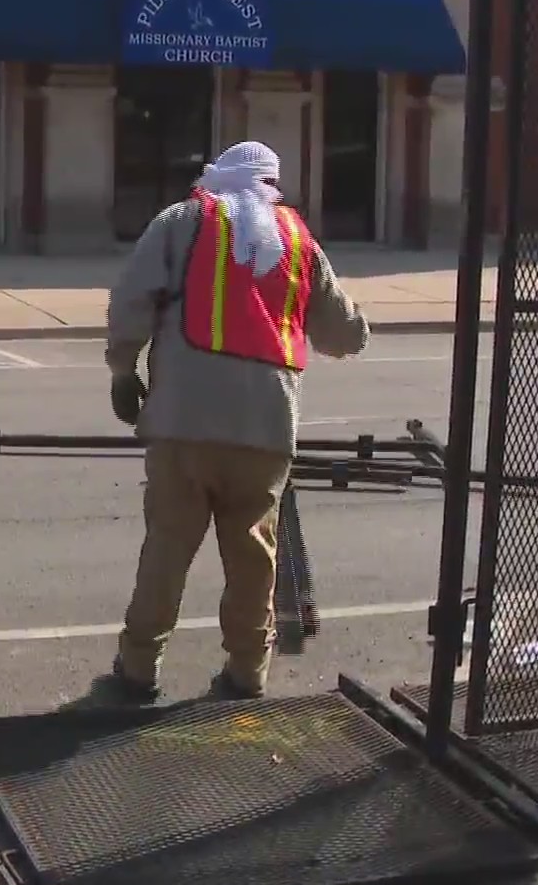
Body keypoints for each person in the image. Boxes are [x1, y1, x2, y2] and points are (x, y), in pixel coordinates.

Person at [104, 141, 370, 701]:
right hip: (268, 426)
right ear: (272, 185)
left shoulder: (181, 221)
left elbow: (131, 299)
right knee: (253, 556)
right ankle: (248, 670)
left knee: (168, 547)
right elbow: (343, 333)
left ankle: (138, 667)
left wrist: (123, 372)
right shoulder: (298, 240)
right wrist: (355, 328)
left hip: (184, 420)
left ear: (218, 178)